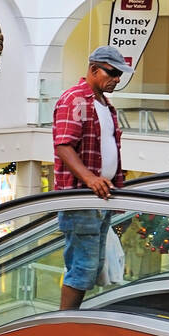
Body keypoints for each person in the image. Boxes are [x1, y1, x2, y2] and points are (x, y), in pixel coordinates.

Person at [53, 46, 131, 310]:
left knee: (92, 265)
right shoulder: (76, 99)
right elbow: (63, 145)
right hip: (82, 198)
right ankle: (65, 324)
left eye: (120, 74)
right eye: (113, 72)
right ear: (94, 68)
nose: (117, 79)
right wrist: (90, 179)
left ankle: (70, 320)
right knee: (83, 266)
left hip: (99, 197)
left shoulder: (104, 104)